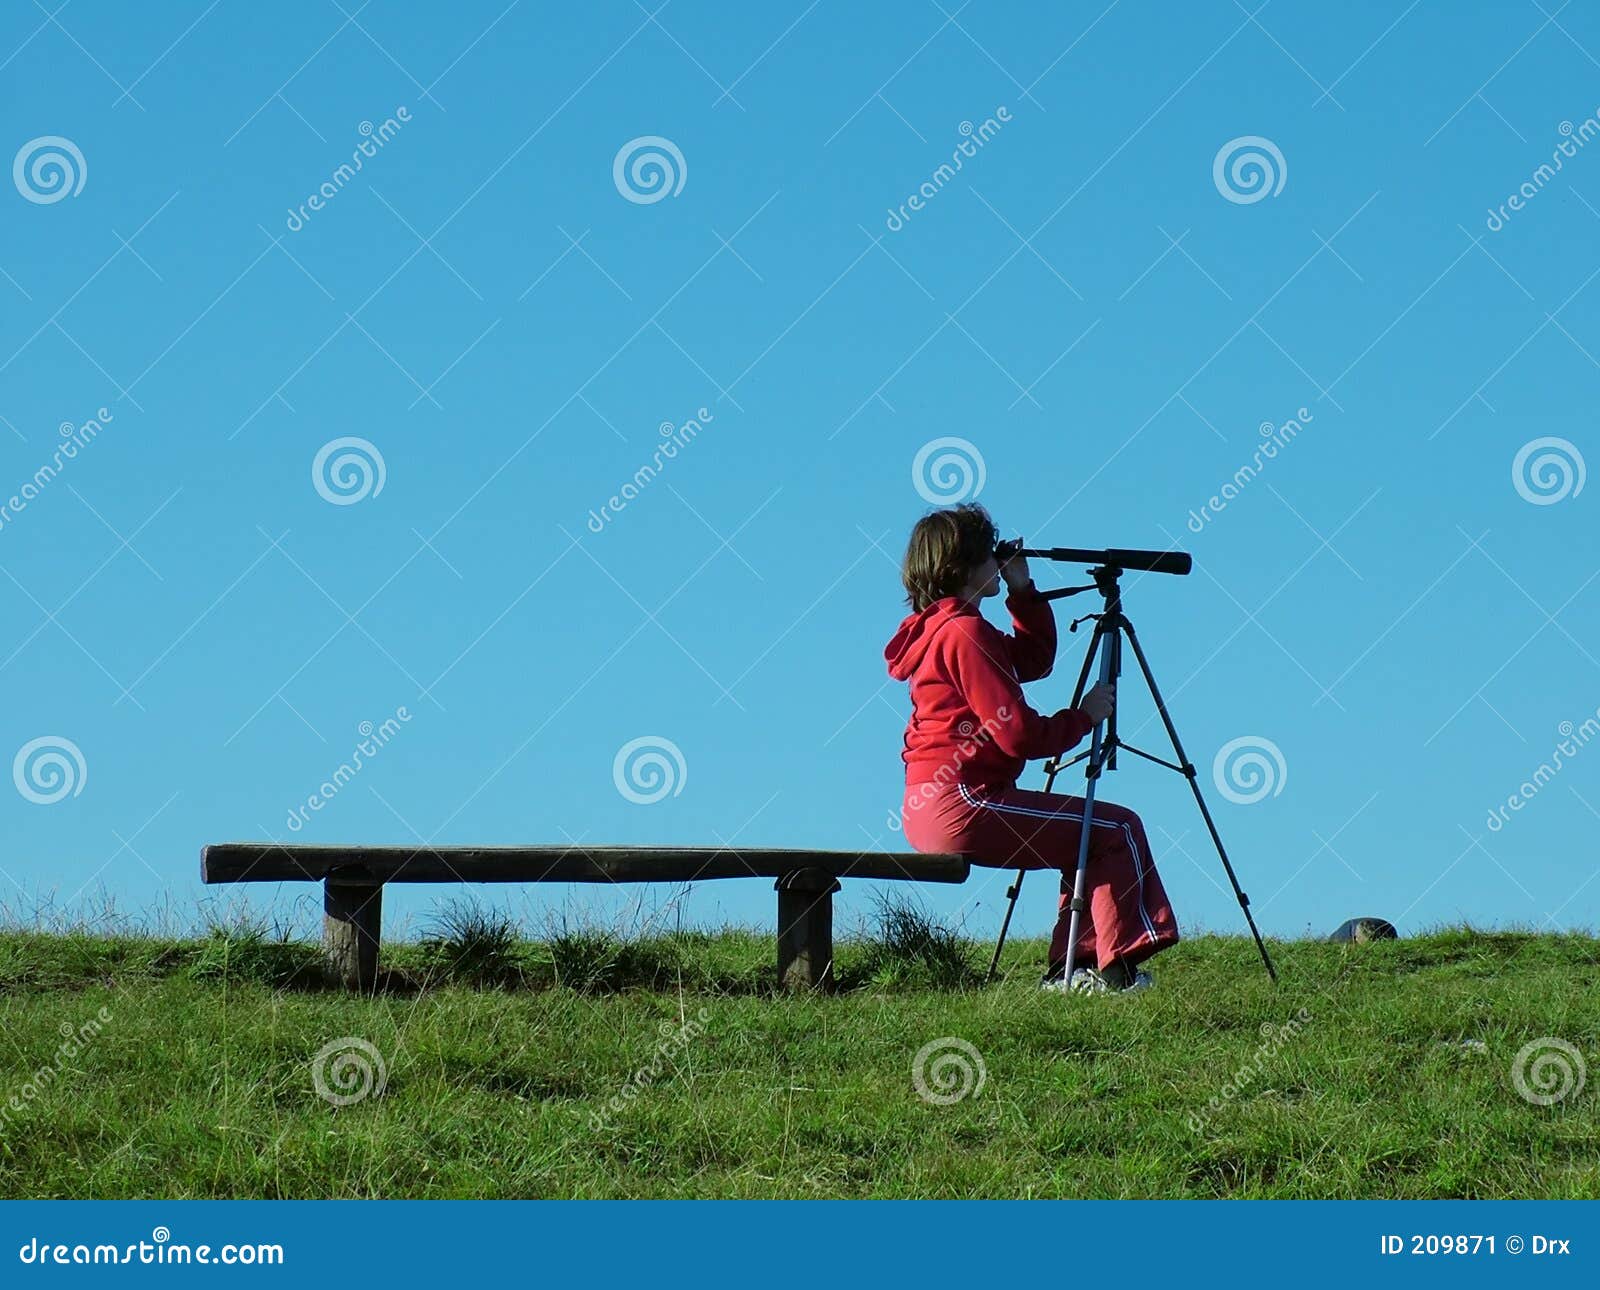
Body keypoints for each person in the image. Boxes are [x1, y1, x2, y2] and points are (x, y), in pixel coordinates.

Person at [884, 503, 1179, 993]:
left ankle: (1079, 969)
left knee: (1088, 831)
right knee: (1116, 828)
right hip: (964, 801)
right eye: (988, 555)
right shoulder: (964, 631)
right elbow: (1018, 733)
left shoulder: (945, 627)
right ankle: (1112, 972)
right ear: (964, 566)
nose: (996, 562)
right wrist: (1083, 718)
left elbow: (1031, 660)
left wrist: (1022, 590)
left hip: (932, 805)